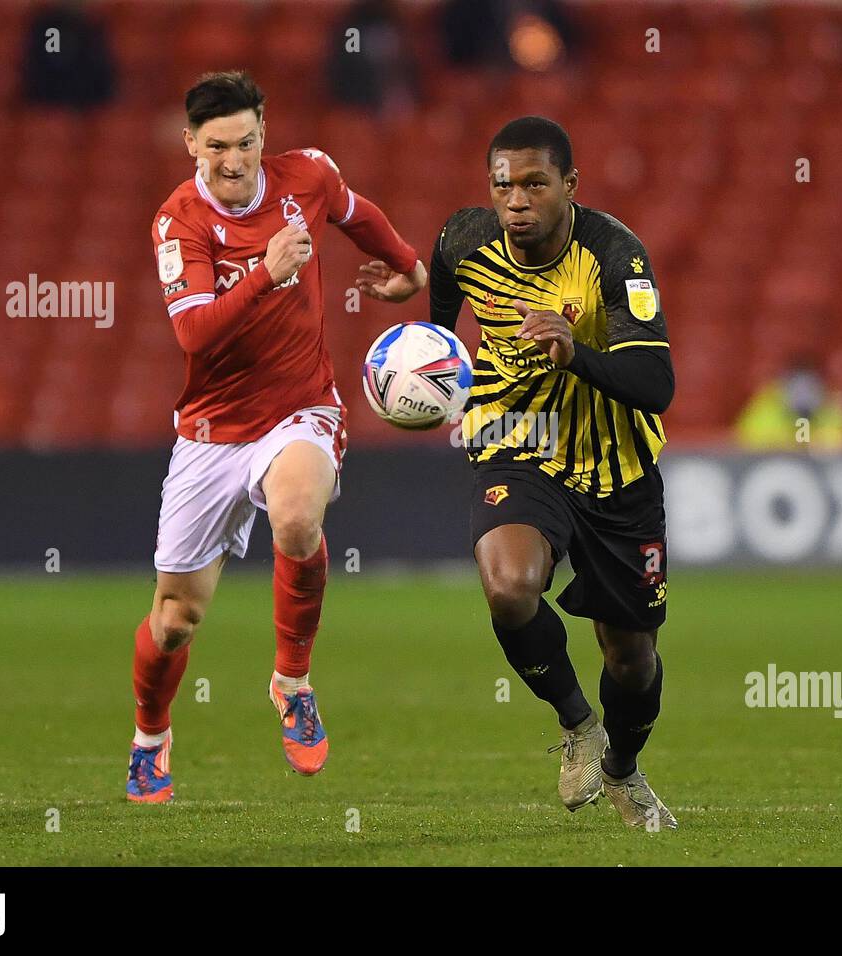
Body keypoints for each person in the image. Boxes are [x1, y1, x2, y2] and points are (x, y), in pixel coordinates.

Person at [128, 72, 427, 802]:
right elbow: (193, 332)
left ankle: (291, 681)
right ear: (193, 144)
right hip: (210, 431)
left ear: (266, 130)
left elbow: (358, 213)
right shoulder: (180, 222)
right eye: (218, 147)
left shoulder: (309, 176)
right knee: (174, 622)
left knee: (297, 517)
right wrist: (266, 274)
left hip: (300, 409)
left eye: (248, 142)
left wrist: (408, 264)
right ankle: (151, 734)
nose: (234, 161)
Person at [401, 116, 677, 828]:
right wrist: (427, 375)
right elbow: (439, 326)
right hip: (516, 445)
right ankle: (579, 726)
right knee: (510, 585)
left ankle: (622, 765)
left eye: (533, 184)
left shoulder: (615, 256)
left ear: (569, 186)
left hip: (616, 469)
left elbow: (656, 382)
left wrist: (573, 351)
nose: (515, 200)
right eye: (502, 186)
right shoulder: (462, 240)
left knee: (633, 662)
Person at [735, 354, 842, 449]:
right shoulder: (766, 407)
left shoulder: (831, 409)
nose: (803, 395)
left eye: (810, 388)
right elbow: (749, 443)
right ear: (784, 386)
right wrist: (792, 442)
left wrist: (813, 435)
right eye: (797, 387)